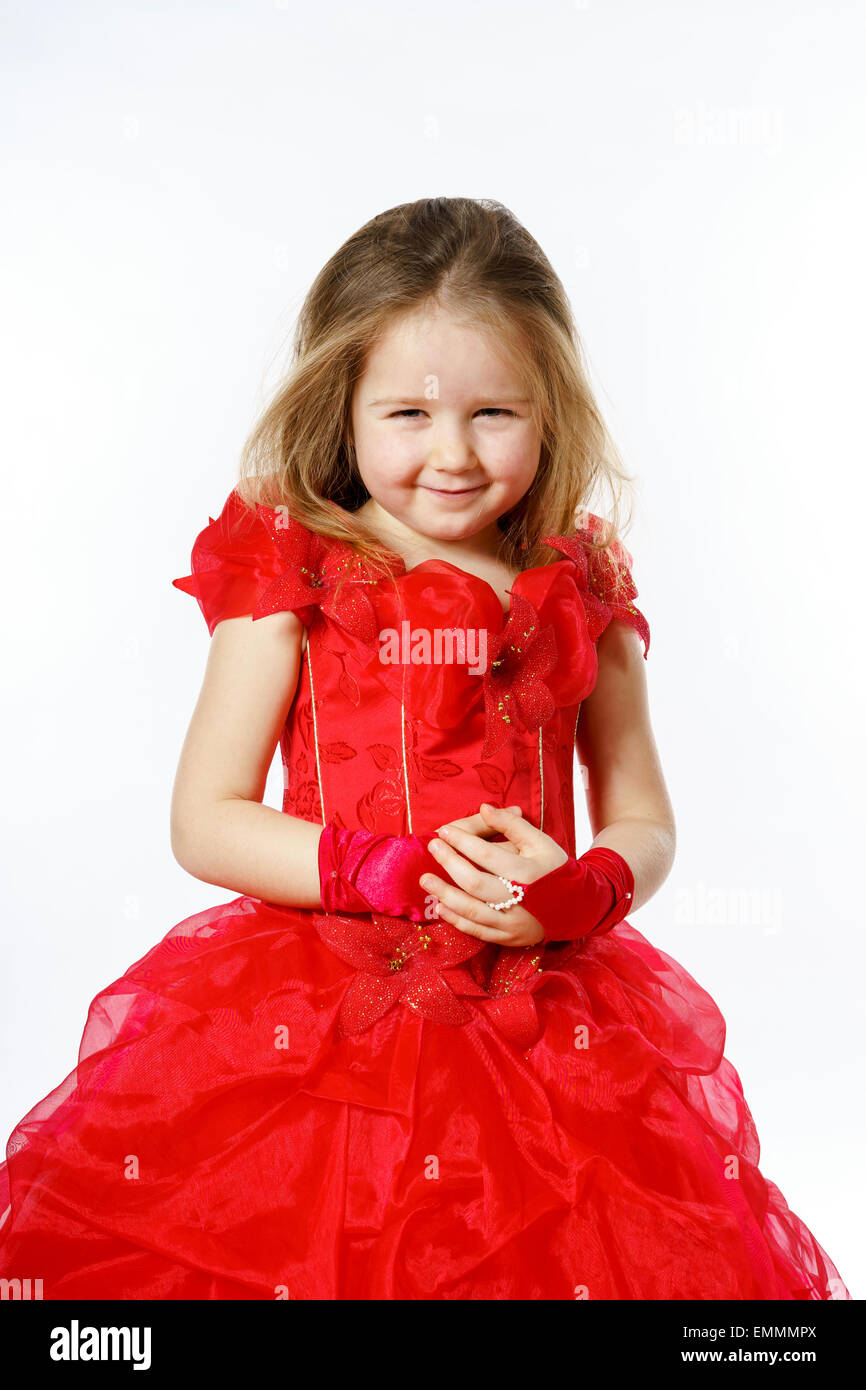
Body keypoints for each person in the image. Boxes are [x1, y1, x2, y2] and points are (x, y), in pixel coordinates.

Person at [0, 197, 850, 1300]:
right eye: (406, 412)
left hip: (547, 1018)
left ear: (550, 409)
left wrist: (586, 887)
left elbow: (641, 814)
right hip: (315, 1013)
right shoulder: (292, 573)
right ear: (340, 406)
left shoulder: (578, 588)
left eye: (494, 411)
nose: (451, 452)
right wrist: (377, 868)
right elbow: (205, 815)